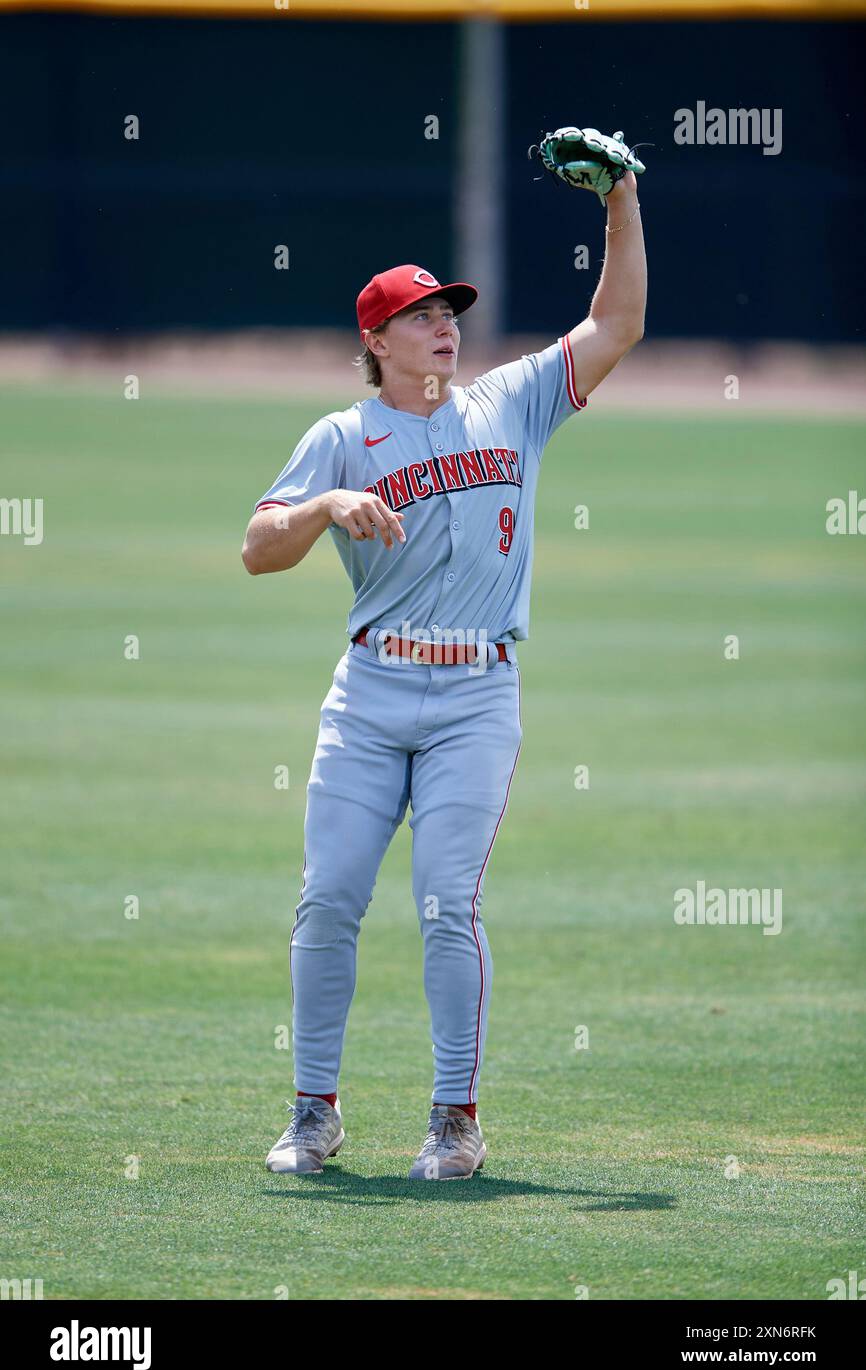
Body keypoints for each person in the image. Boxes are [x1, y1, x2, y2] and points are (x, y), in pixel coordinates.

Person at [242, 169, 646, 1180]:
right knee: (328, 897)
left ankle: (454, 1119)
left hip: (475, 695)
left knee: (442, 903)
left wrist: (620, 199)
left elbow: (619, 321)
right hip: (369, 696)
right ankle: (312, 1111)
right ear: (375, 342)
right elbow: (256, 545)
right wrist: (325, 507)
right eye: (419, 317)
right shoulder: (342, 437)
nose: (443, 328)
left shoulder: (511, 401)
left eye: (448, 312)